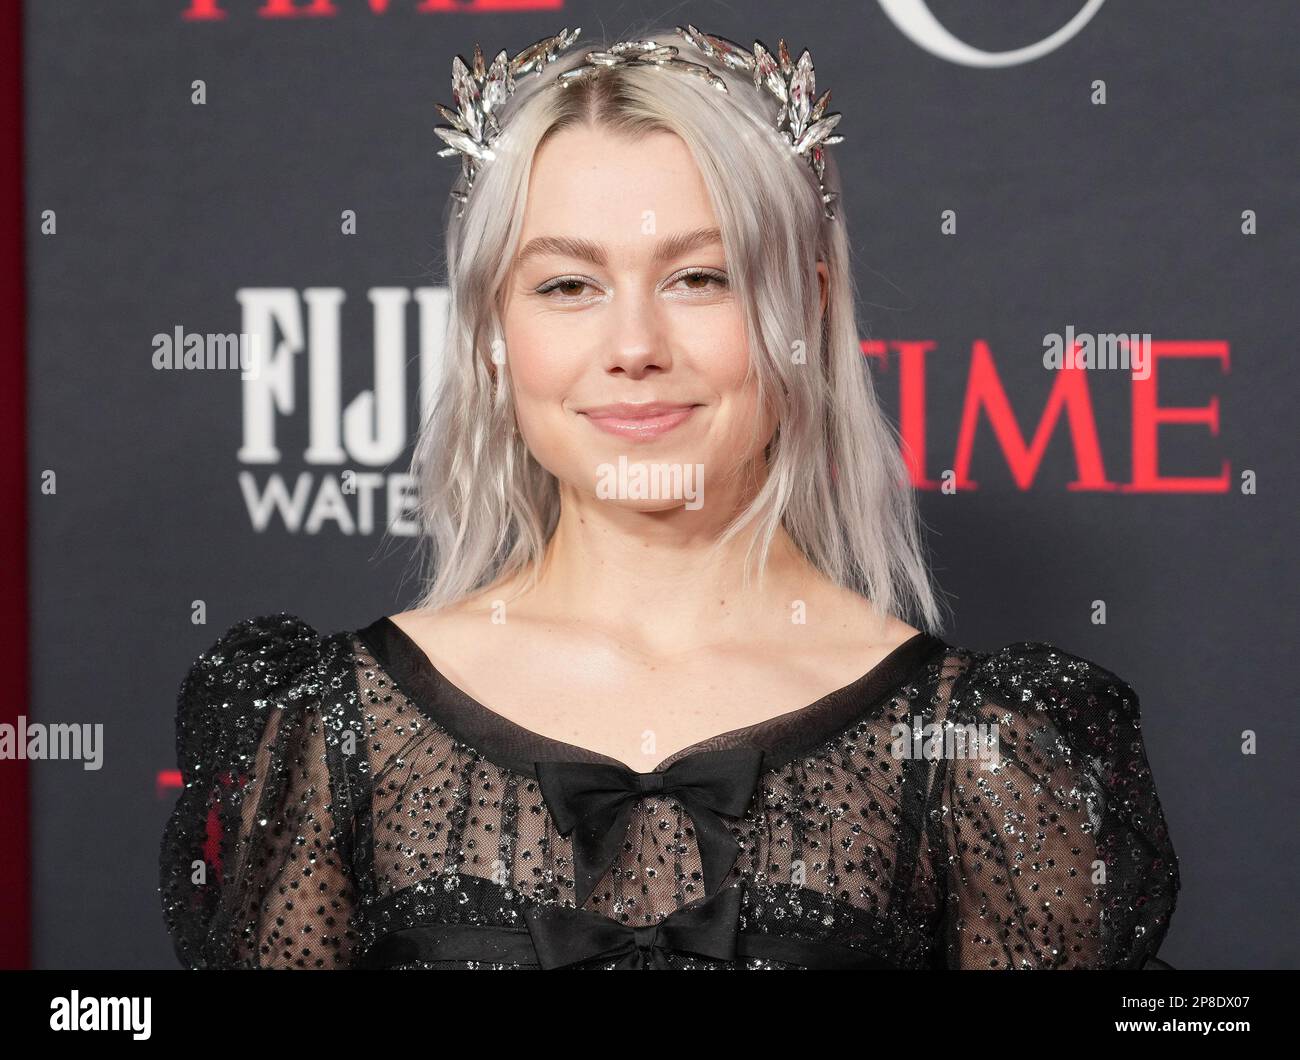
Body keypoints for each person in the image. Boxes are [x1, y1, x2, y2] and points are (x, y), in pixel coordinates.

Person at [158, 24, 1180, 969]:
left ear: (806, 306)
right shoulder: (327, 727)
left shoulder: (985, 751)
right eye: (567, 285)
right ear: (490, 332)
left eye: (701, 277)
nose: (636, 348)